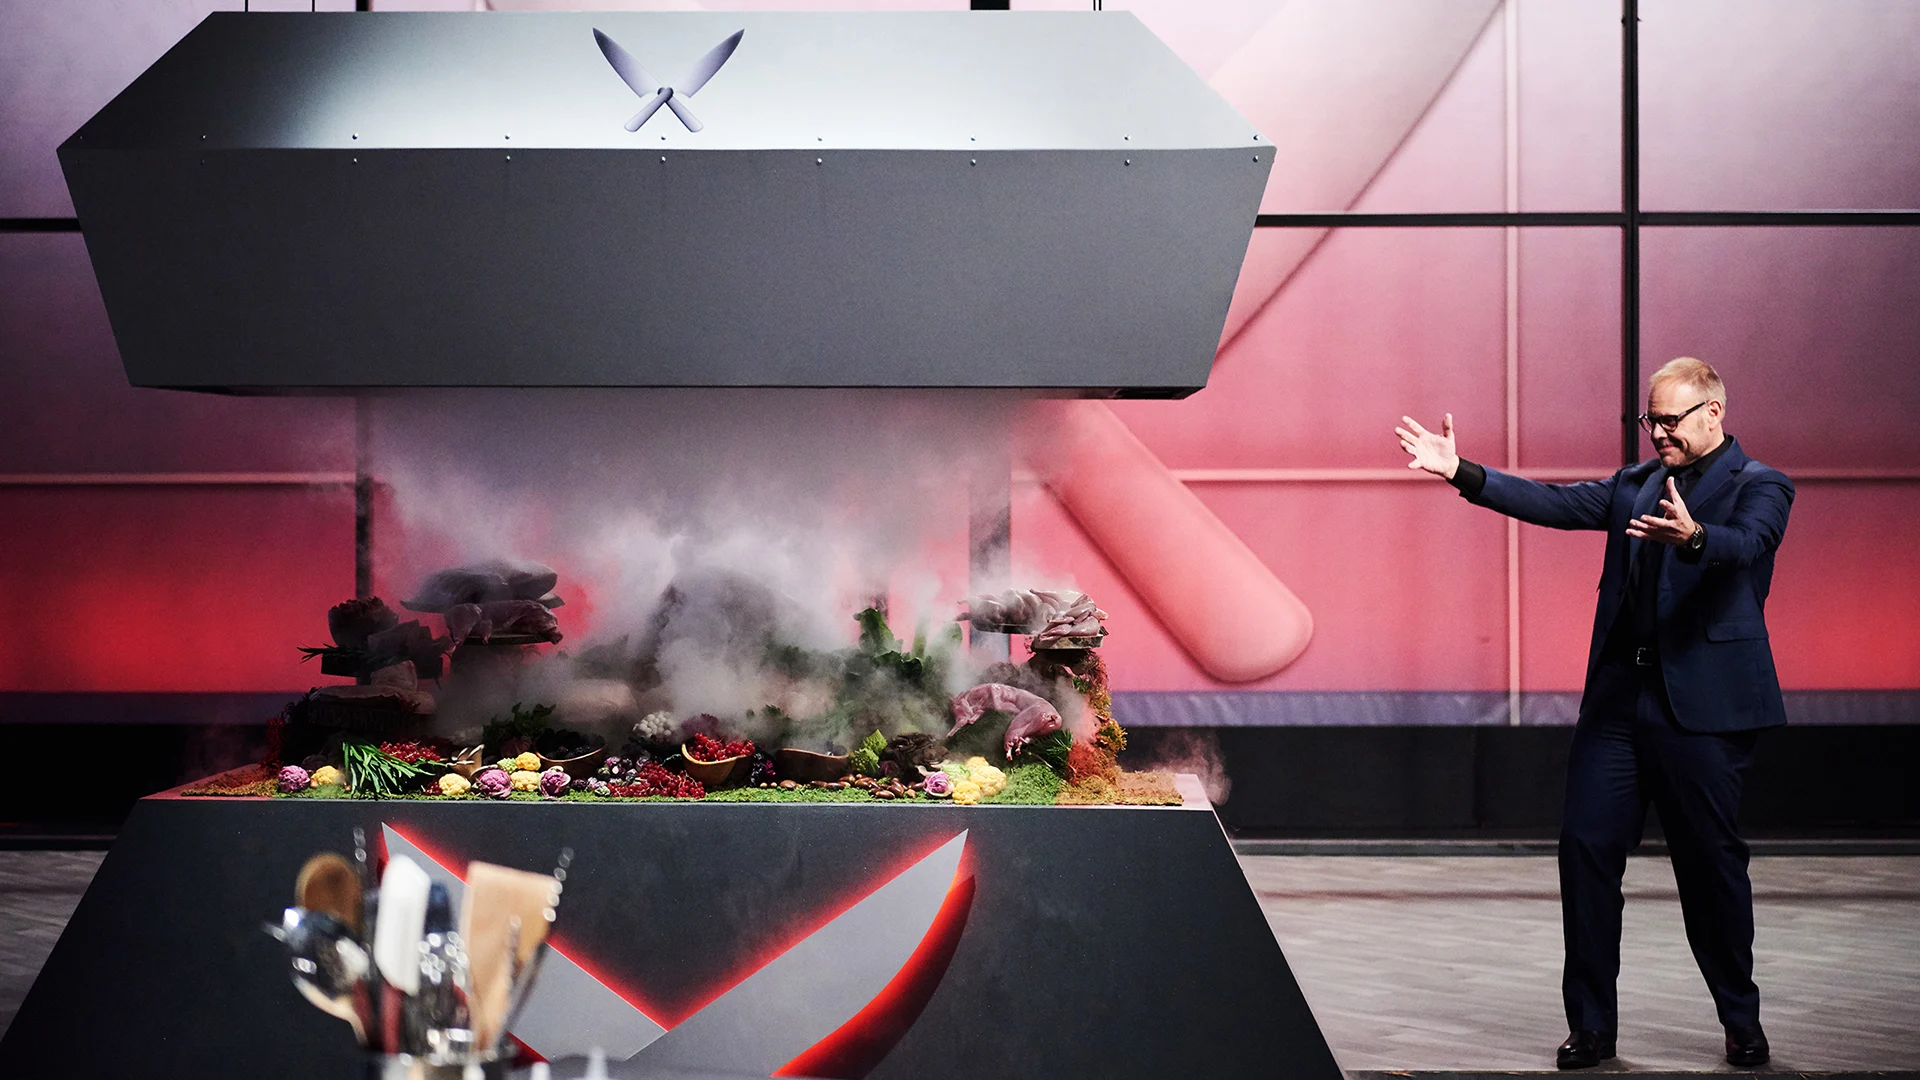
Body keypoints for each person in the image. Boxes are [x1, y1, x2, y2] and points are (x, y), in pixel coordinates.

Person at [1395, 358, 1793, 1070]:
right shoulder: (1636, 484)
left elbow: (1749, 544)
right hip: (1618, 704)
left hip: (1702, 712)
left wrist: (1694, 537)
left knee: (1710, 869)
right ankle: (1591, 1027)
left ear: (1714, 412)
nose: (1658, 433)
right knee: (1584, 854)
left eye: (1670, 420)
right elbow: (1554, 503)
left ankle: (1741, 1019)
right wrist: (1462, 472)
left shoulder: (1760, 484)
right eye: (1650, 421)